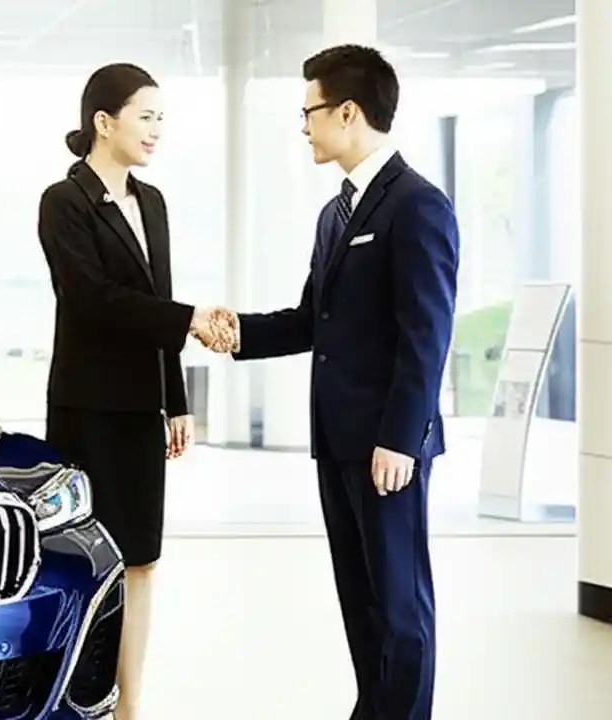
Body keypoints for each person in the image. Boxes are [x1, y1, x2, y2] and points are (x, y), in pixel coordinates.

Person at [196, 45, 458, 719]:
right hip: (338, 440)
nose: (304, 127)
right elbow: (315, 318)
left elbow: (426, 336)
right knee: (361, 602)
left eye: (308, 112)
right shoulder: (336, 213)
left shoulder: (417, 205)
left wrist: (400, 439)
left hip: (386, 448)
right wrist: (239, 333)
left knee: (401, 606)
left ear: (348, 111)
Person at [35, 62, 233, 720]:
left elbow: (156, 298)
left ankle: (131, 706)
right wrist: (187, 320)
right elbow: (93, 300)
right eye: (146, 116)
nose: (156, 131)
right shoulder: (64, 202)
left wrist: (175, 399)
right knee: (93, 564)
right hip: (88, 406)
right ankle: (81, 696)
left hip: (141, 408)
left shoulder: (152, 202)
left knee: (142, 562)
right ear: (104, 122)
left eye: (161, 119)